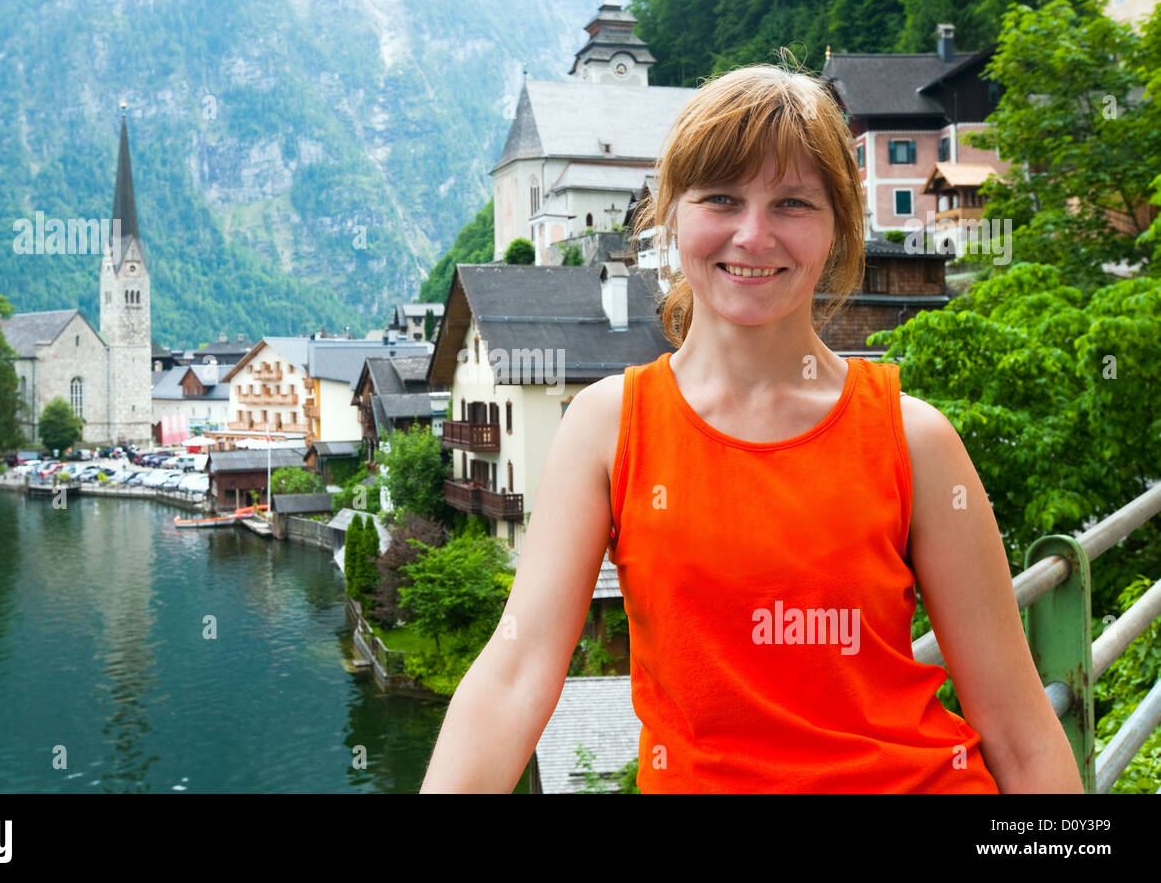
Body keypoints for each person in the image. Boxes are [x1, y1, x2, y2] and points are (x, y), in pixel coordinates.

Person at [419, 58, 1083, 793]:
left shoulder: (912, 439)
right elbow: (514, 674)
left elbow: (1021, 735)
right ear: (672, 214)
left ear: (838, 228)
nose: (754, 235)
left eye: (794, 204)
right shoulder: (609, 430)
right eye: (722, 199)